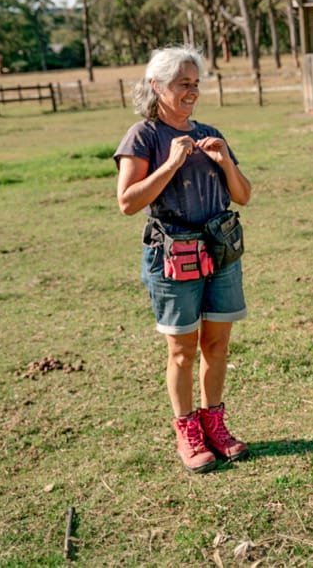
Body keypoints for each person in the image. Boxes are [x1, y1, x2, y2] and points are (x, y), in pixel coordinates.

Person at [114, 45, 252, 473]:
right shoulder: (144, 136)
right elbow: (127, 202)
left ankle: (215, 424)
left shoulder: (211, 131)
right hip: (173, 256)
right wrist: (171, 164)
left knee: (217, 344)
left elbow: (243, 195)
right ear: (157, 87)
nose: (192, 92)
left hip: (220, 250)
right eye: (182, 84)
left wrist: (225, 161)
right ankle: (187, 431)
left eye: (195, 84)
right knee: (182, 351)